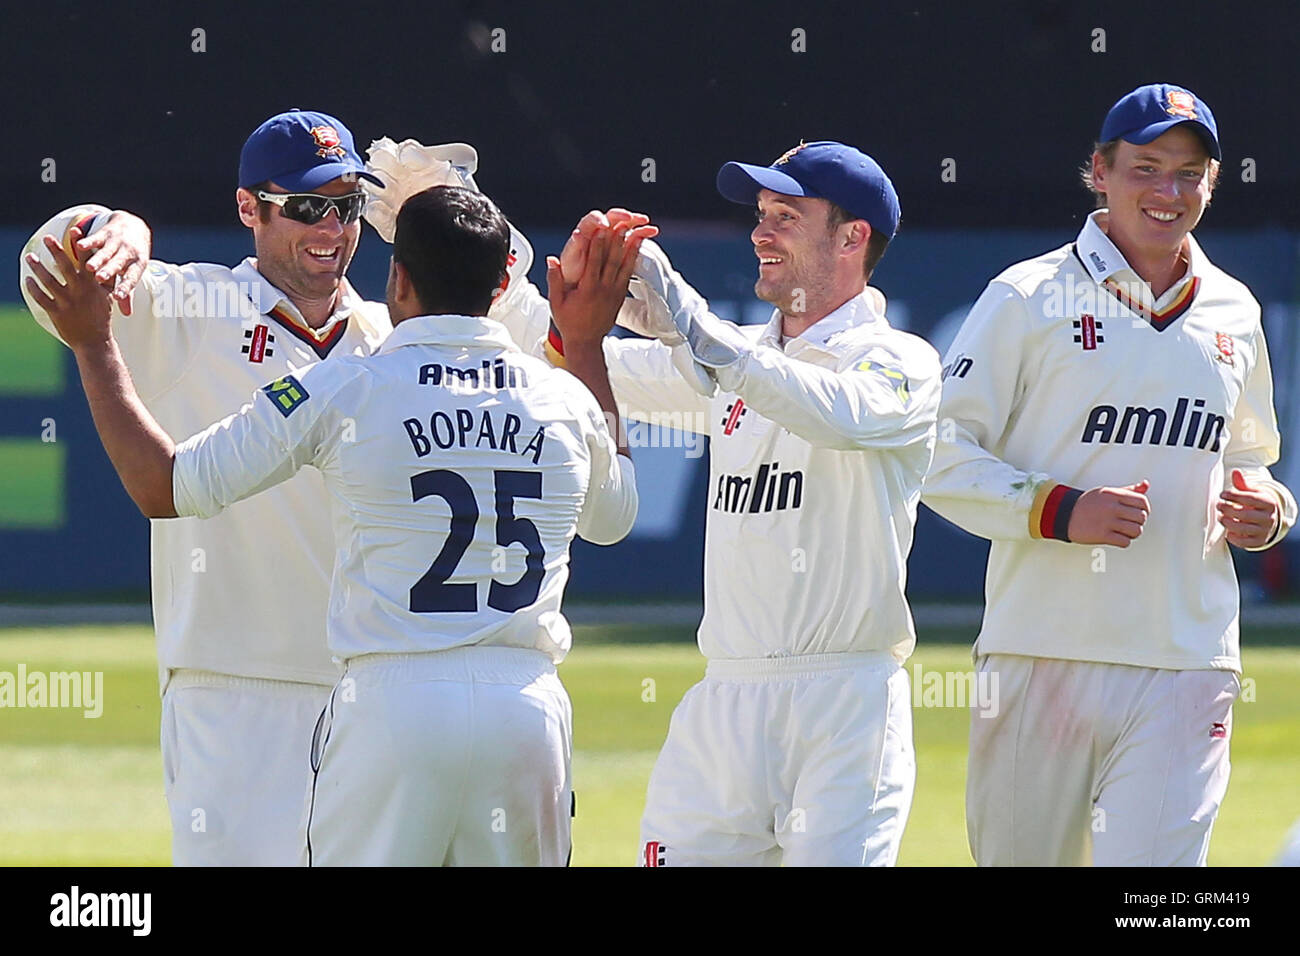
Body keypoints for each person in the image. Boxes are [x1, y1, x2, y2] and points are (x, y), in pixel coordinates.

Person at [24, 184, 646, 865]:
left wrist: (92, 346)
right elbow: (616, 518)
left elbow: (164, 485)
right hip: (527, 711)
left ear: (398, 278)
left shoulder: (348, 384)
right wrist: (583, 345)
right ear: (504, 283)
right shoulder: (560, 396)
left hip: (393, 707)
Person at [921, 83, 1297, 866]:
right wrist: (1059, 510)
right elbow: (938, 449)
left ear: (1212, 183)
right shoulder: (1028, 295)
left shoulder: (1234, 309)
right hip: (1041, 652)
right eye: (1146, 168)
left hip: (1187, 660)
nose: (1168, 192)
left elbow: (1250, 459)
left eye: (1189, 173)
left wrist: (1269, 510)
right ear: (1099, 170)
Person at [547, 141, 941, 865]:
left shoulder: (900, 361)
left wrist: (694, 327)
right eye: (761, 214)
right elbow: (571, 356)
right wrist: (462, 222)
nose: (761, 232)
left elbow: (837, 412)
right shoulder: (730, 366)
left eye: (787, 216)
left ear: (853, 237)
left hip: (844, 707)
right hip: (724, 700)